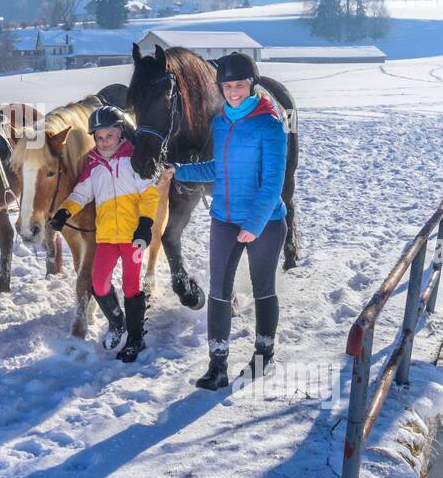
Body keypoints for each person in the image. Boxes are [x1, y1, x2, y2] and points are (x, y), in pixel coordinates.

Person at [163, 52, 288, 390]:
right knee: (219, 291)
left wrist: (254, 224)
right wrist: (180, 171)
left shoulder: (270, 124)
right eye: (228, 86)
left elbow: (273, 183)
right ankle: (217, 365)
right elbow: (218, 169)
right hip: (224, 219)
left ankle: (263, 356)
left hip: (264, 222)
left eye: (240, 85)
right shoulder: (220, 123)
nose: (233, 91)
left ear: (252, 84)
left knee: (263, 289)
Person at [48, 105, 159, 363]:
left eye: (109, 136)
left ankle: (135, 339)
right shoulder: (93, 163)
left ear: (121, 133)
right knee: (99, 283)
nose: (103, 141)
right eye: (98, 137)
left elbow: (149, 194)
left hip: (133, 237)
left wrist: (145, 225)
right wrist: (64, 212)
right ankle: (117, 322)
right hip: (106, 237)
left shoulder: (133, 159)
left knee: (131, 287)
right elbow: (81, 193)